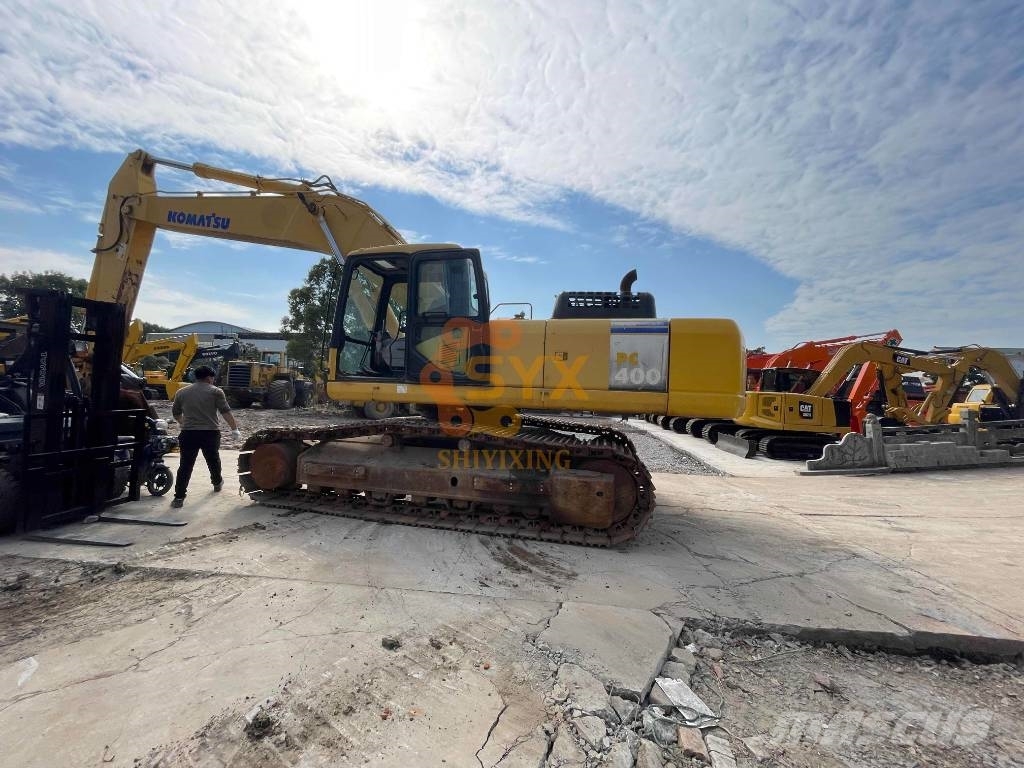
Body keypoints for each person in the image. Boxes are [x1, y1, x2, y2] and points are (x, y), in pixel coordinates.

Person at [170, 365, 240, 507]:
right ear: (209, 377)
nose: (213, 380)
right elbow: (225, 411)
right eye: (213, 378)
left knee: (185, 465)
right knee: (213, 460)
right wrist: (234, 429)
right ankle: (217, 482)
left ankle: (179, 497)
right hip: (210, 433)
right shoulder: (216, 392)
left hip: (188, 433)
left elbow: (176, 412)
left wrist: (184, 423)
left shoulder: (181, 392)